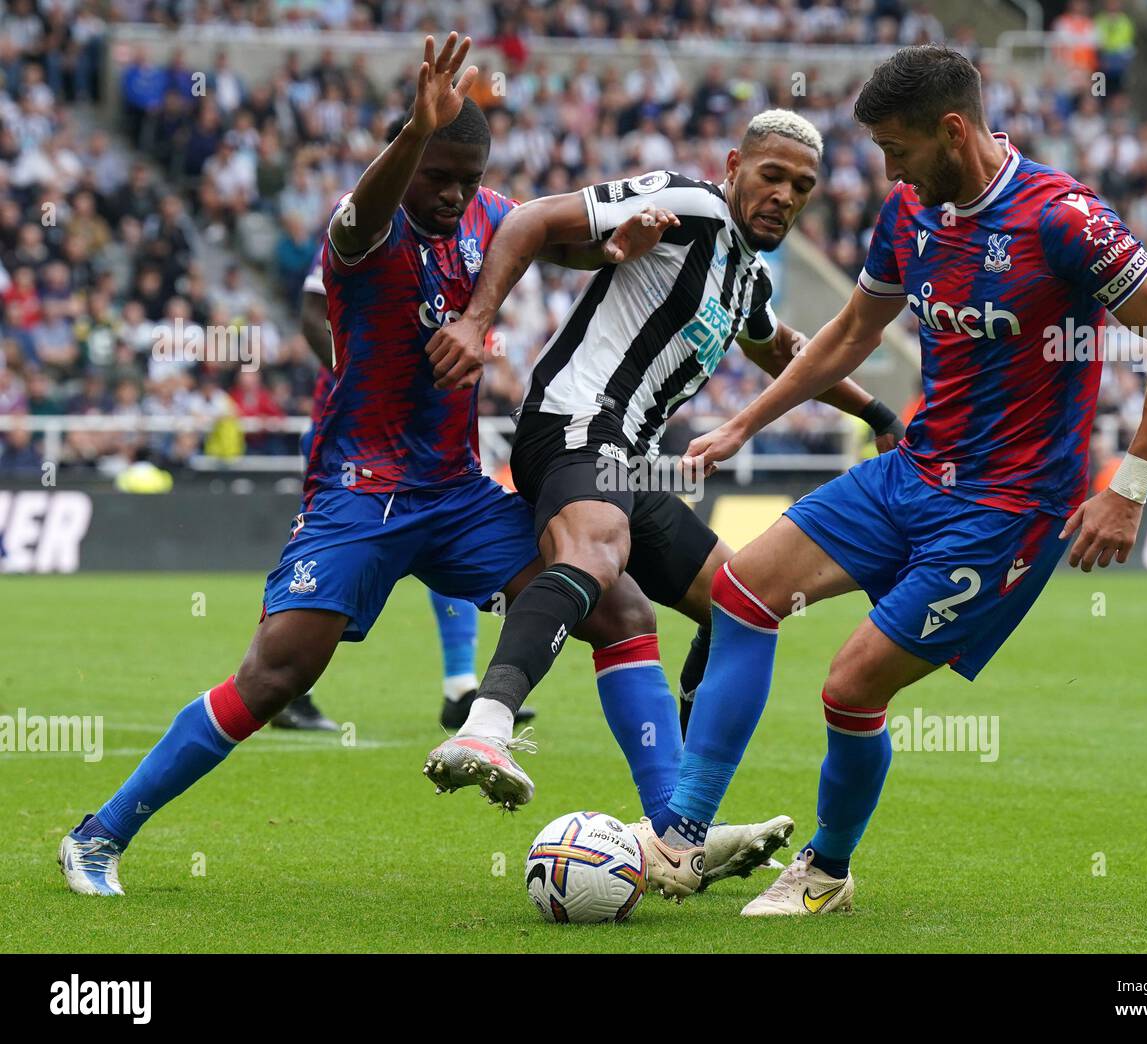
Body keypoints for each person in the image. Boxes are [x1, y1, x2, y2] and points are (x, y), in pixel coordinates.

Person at [58, 34, 787, 896]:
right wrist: (412, 135)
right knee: (278, 673)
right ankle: (99, 835)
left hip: (454, 489)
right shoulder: (366, 224)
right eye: (435, 176)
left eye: (464, 180)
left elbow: (557, 241)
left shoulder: (483, 216)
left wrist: (617, 245)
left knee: (618, 603)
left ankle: (671, 836)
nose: (450, 196)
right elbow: (361, 220)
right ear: (406, 162)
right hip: (359, 491)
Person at [629, 45, 1147, 913]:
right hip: (910, 474)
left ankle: (826, 872)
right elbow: (851, 334)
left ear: (952, 130)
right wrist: (745, 421)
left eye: (896, 149)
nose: (886, 168)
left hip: (1005, 511)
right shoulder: (911, 213)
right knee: (743, 595)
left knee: (850, 686)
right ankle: (682, 835)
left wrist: (1126, 488)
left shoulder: (1063, 220)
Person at [423, 108, 904, 816]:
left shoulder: (747, 280)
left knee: (741, 601)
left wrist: (880, 416)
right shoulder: (688, 205)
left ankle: (682, 813)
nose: (786, 196)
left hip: (625, 459)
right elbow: (527, 221)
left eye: (802, 186)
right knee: (599, 551)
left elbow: (783, 355)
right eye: (771, 176)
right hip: (574, 420)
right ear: (736, 168)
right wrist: (475, 321)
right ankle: (485, 725)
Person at [272, 237, 534, 732]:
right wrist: (358, 377)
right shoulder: (361, 222)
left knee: (450, 539)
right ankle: (285, 686)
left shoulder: (463, 238)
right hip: (352, 440)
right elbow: (311, 311)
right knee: (317, 564)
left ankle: (460, 687)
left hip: (427, 443)